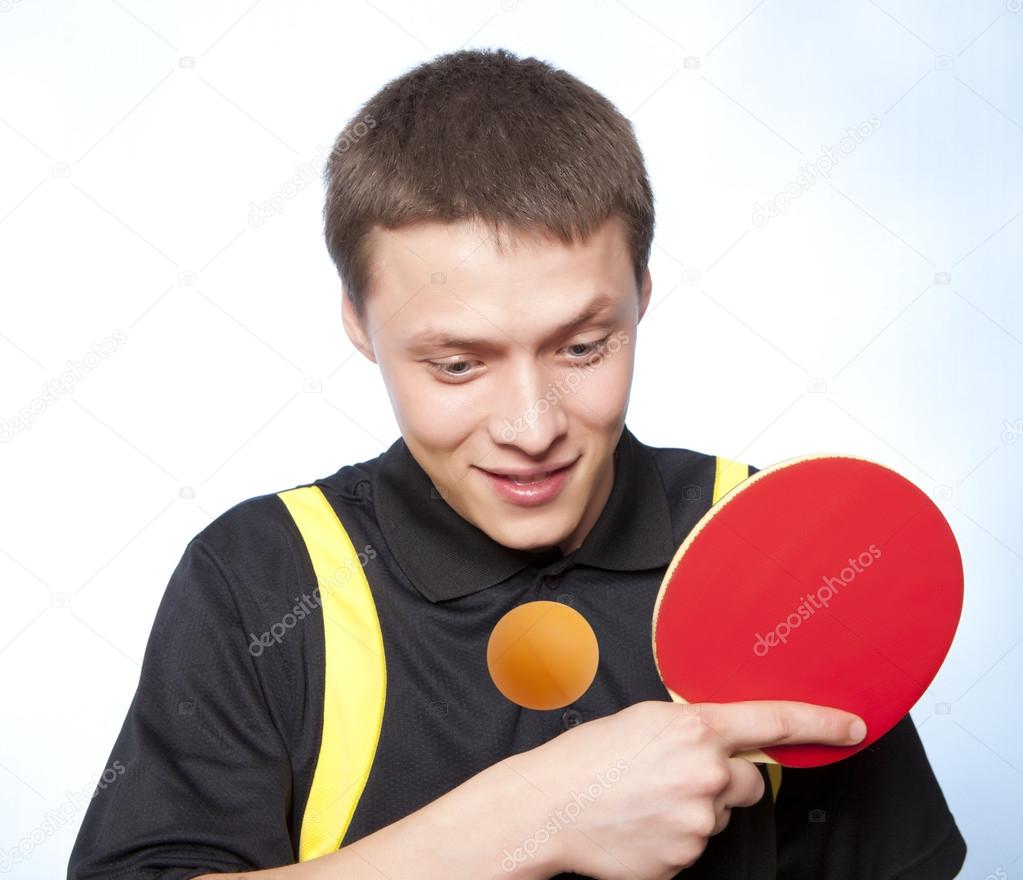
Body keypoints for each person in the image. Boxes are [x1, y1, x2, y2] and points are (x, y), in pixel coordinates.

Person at [67, 47, 966, 880]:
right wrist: (533, 819)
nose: (531, 428)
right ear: (358, 323)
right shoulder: (259, 578)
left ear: (640, 297)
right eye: (457, 364)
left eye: (581, 347)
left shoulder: (786, 550)